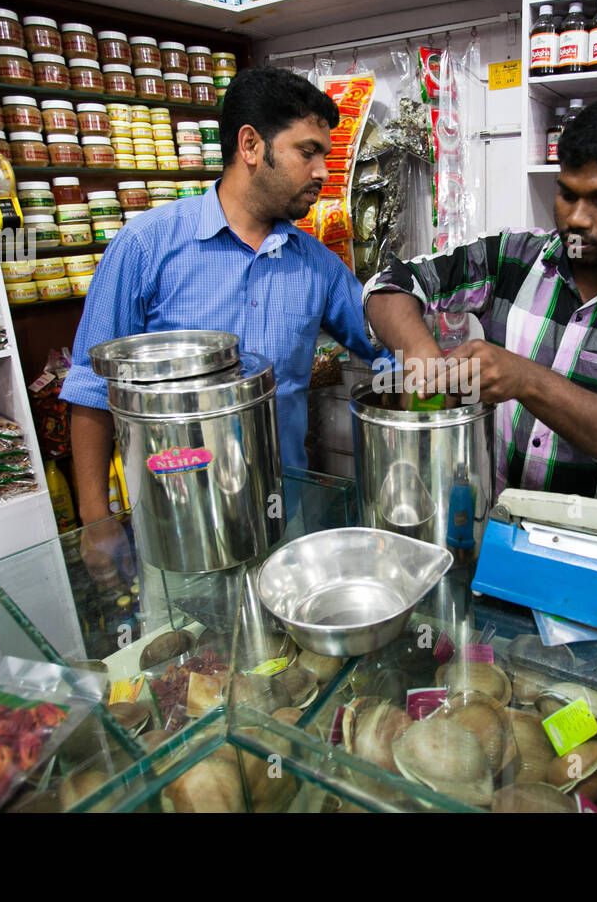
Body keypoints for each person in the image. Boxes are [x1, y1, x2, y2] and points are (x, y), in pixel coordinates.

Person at [61, 66, 382, 595]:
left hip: (285, 521)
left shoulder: (317, 266)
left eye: (325, 154)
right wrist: (95, 518)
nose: (322, 171)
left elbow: (378, 339)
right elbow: (92, 387)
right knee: (189, 669)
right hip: (177, 524)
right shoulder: (146, 247)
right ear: (251, 145)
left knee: (288, 666)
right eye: (308, 152)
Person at [364, 96, 597, 504]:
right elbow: (391, 284)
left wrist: (526, 379)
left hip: (591, 534)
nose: (577, 218)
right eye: (567, 194)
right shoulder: (513, 257)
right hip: (492, 514)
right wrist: (424, 364)